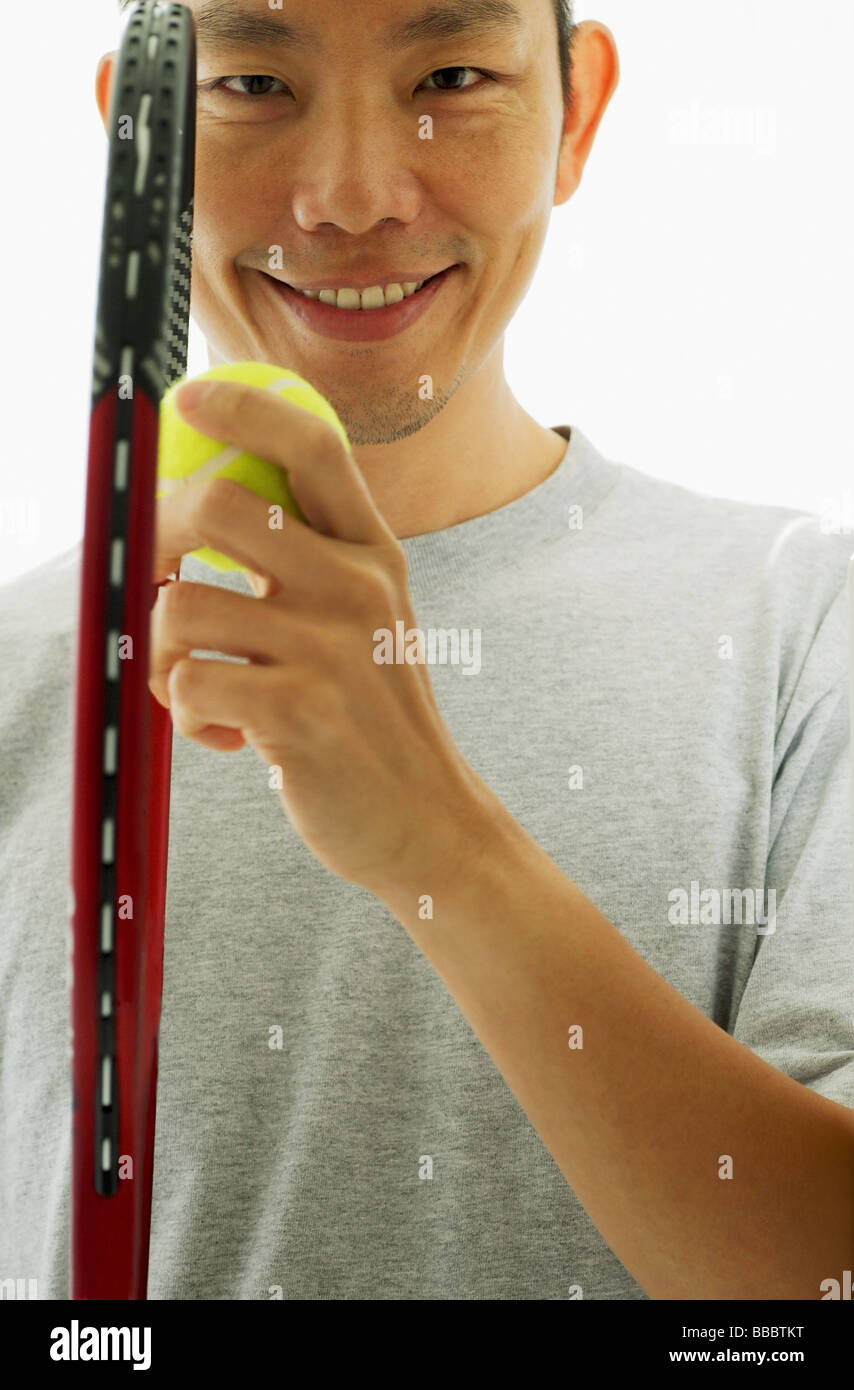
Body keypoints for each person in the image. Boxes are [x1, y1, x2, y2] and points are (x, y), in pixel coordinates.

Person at [1, 0, 852, 1301]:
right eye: (252, 83)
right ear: (141, 142)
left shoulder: (808, 626)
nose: (351, 197)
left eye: (450, 74)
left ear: (575, 112)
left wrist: (438, 844)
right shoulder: (15, 672)